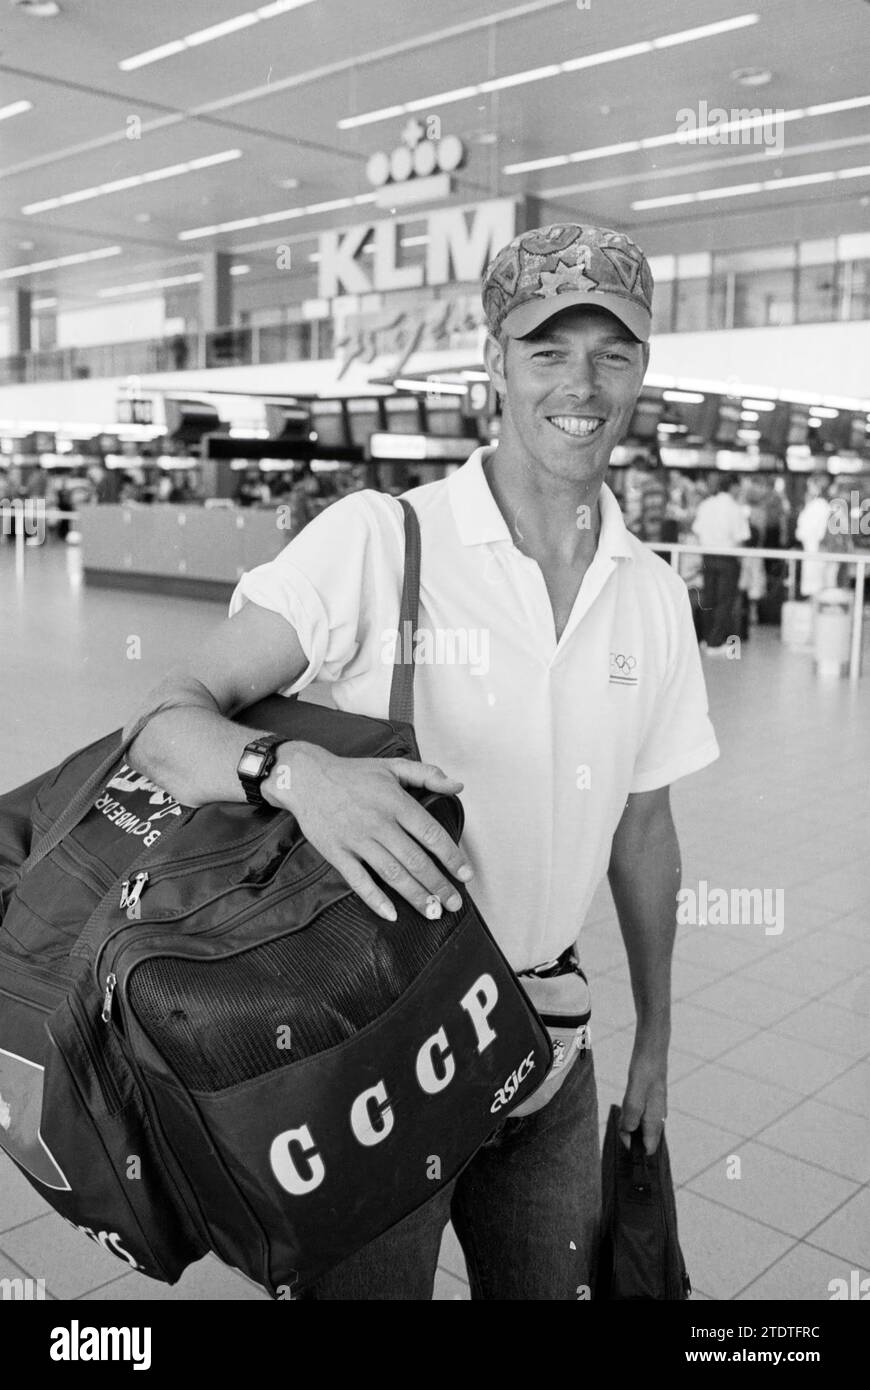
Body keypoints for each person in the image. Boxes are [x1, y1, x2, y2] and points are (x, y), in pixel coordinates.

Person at [122, 223, 719, 1301]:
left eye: (613, 351)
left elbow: (645, 832)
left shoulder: (653, 592)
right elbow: (164, 722)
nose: (581, 383)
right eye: (547, 350)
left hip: (548, 1058)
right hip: (376, 1066)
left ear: (642, 368)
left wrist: (660, 1042)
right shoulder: (381, 541)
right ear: (494, 363)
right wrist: (299, 776)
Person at [691, 475, 751, 653]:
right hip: (728, 558)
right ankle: (716, 643)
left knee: (709, 598)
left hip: (708, 556)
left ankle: (707, 638)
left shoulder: (706, 504)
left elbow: (697, 530)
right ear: (732, 487)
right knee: (725, 600)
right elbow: (741, 537)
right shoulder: (735, 508)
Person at [795, 475, 838, 598]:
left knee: (817, 588)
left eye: (810, 486)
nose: (808, 489)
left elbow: (805, 531)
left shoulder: (818, 505)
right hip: (822, 550)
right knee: (824, 586)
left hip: (815, 550)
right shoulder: (826, 503)